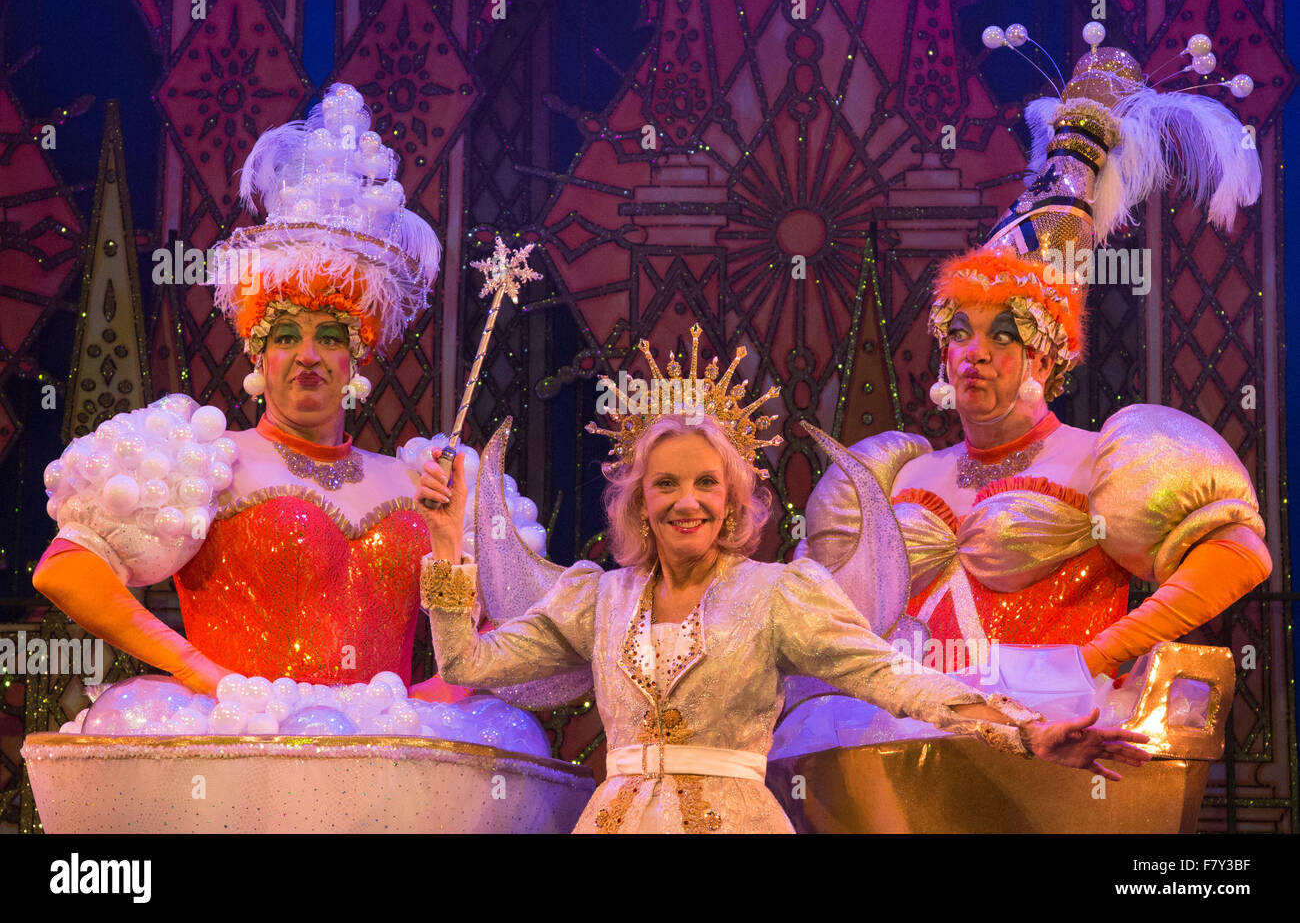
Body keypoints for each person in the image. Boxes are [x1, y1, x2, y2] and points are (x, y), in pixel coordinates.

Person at [413, 324, 1150, 833]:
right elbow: (466, 663)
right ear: (640, 500)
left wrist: (1024, 729)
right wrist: (449, 546)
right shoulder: (598, 600)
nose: (687, 501)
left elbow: (895, 679)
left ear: (735, 499)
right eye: (666, 484)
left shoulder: (775, 596)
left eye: (707, 483)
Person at [799, 31, 1272, 678]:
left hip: (1047, 753)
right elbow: (820, 613)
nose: (975, 353)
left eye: (1004, 335)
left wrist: (1097, 661)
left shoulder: (1100, 460)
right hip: (910, 748)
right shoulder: (900, 476)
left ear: (1046, 359)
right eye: (961, 330)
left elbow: (1240, 553)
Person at [33, 83, 467, 701]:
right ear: (258, 351)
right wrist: (197, 671)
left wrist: (435, 700)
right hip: (242, 752)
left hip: (386, 765)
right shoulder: (210, 461)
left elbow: (506, 638)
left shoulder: (418, 485)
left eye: (332, 335)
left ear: (358, 355)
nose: (309, 355)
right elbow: (66, 570)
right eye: (287, 334)